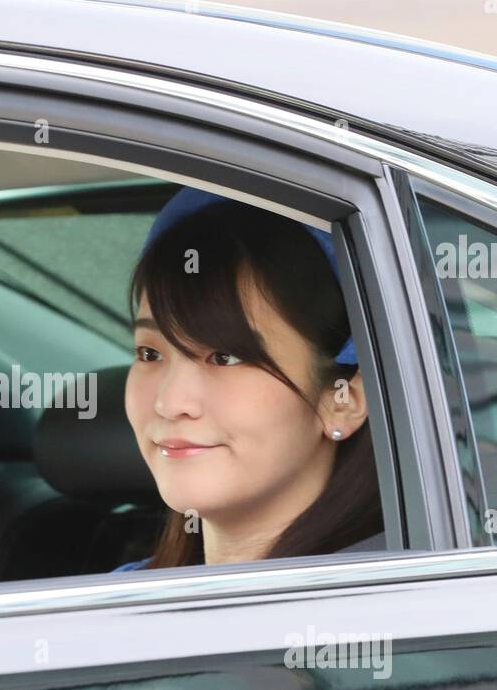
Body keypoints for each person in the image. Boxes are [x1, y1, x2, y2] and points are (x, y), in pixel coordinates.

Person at [117, 187, 384, 572]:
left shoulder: (370, 612)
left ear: (343, 400)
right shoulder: (118, 596)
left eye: (225, 357)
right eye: (150, 354)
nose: (169, 402)